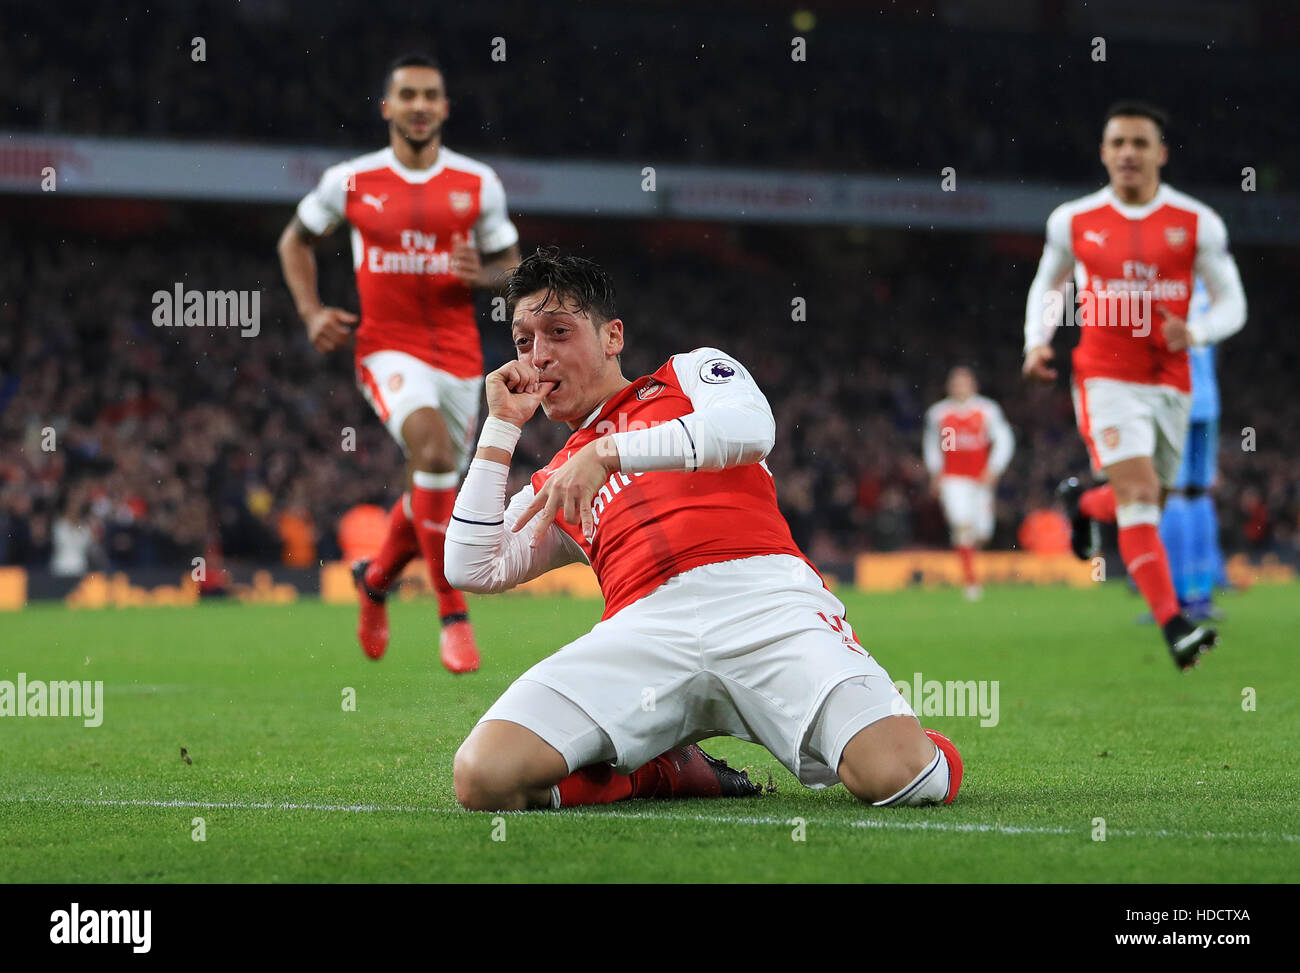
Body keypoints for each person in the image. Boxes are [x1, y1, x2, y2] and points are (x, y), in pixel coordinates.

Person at [443, 248, 962, 812]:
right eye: (523, 342)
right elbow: (470, 566)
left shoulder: (688, 375)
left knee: (903, 779)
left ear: (612, 337)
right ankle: (665, 773)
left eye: (559, 332)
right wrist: (500, 426)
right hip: (642, 631)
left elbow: (751, 427)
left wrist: (609, 452)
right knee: (483, 777)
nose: (538, 357)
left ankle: (918, 743)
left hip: (764, 604)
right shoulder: (559, 481)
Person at [278, 54, 521, 673]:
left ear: (443, 107)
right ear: (388, 106)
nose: (418, 105)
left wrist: (488, 275)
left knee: (432, 486)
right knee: (434, 454)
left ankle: (377, 582)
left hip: (461, 356)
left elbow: (514, 269)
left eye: (429, 95)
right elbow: (295, 240)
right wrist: (310, 313)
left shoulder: (477, 183)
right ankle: (452, 612)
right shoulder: (351, 181)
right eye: (406, 94)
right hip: (386, 345)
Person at [1022, 100, 1246, 671]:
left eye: (1140, 143)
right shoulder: (1074, 220)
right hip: (1104, 377)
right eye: (1118, 142)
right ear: (1103, 152)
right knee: (1143, 495)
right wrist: (1038, 340)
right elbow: (1051, 282)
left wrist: (1195, 331)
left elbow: (1233, 305)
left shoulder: (1198, 222)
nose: (1128, 153)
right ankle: (1176, 625)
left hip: (1171, 382)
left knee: (1149, 500)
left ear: (1160, 153)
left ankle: (1083, 502)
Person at [1159, 278, 1226, 621]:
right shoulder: (1209, 288)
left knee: (1172, 495)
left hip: (1174, 400)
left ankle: (1177, 597)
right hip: (1208, 400)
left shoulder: (1165, 284)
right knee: (1200, 494)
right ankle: (1204, 594)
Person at [923, 366, 1014, 600]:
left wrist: (994, 469)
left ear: (973, 385)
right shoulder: (939, 414)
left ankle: (973, 568)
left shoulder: (987, 410)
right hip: (954, 479)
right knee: (961, 523)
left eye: (964, 382)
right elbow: (934, 446)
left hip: (979, 480)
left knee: (981, 532)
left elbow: (1004, 440)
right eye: (956, 382)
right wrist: (936, 473)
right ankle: (971, 583)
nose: (960, 387)